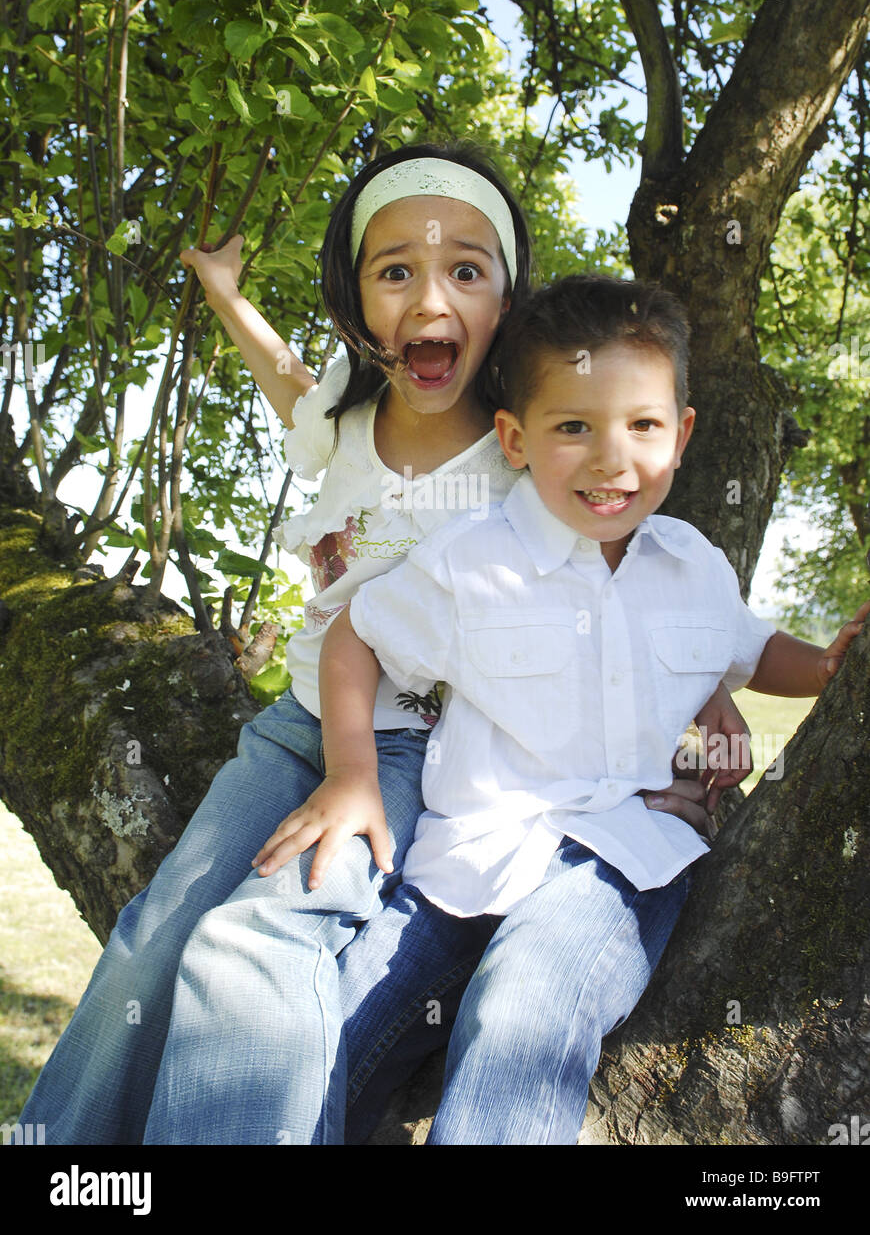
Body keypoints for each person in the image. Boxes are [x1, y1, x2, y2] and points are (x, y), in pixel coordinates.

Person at [18, 149, 744, 1146]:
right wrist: (223, 292)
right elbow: (283, 378)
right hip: (297, 726)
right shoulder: (344, 419)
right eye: (394, 270)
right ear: (357, 306)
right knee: (154, 936)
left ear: (507, 304)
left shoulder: (532, 449)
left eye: (468, 270)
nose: (430, 294)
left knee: (272, 931)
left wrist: (709, 705)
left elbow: (640, 584)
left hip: (414, 750)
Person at [255, 274, 870, 1144]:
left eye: (643, 426)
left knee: (524, 1013)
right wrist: (353, 771)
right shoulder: (473, 561)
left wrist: (832, 666)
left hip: (624, 855)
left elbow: (752, 649)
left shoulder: (691, 562)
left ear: (683, 434)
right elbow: (357, 634)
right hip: (466, 862)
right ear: (514, 436)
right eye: (573, 426)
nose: (612, 458)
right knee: (323, 1042)